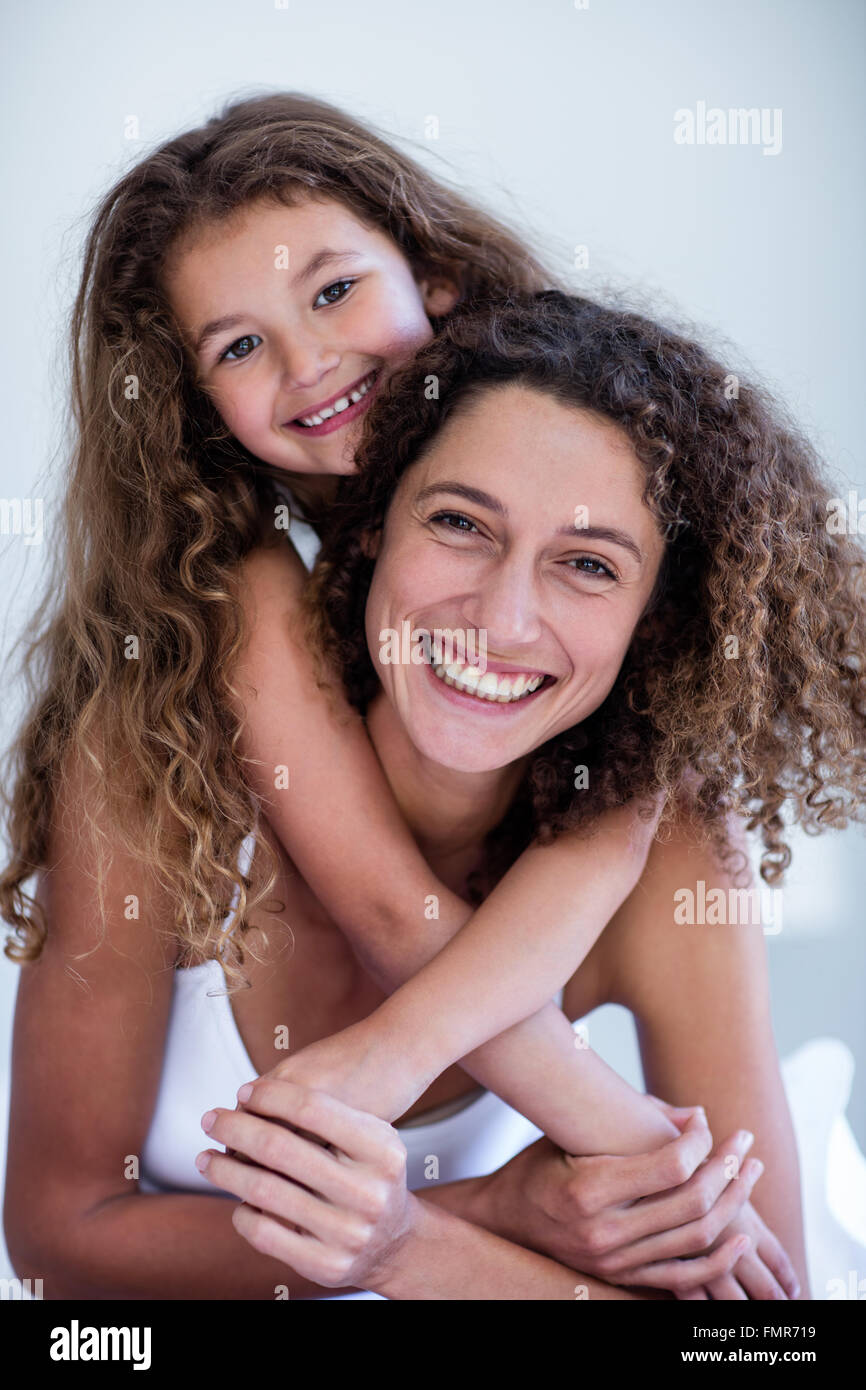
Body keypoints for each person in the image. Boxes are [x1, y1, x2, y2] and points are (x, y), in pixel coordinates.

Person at [3, 95, 844, 1298]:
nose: (312, 365)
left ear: (436, 279)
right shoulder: (226, 624)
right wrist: (516, 1197)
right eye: (454, 525)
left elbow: (759, 1318)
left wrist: (521, 1207)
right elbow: (399, 920)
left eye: (588, 564)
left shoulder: (646, 794)